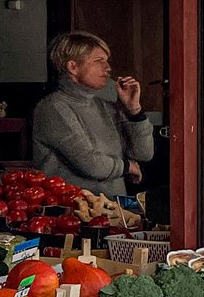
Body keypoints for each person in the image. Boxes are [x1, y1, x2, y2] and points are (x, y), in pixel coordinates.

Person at [32, 31, 154, 197]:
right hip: (72, 209)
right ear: (72, 67)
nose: (108, 67)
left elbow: (143, 154)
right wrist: (126, 167)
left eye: (106, 60)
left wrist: (134, 111)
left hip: (112, 207)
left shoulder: (104, 106)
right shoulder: (53, 108)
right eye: (98, 61)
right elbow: (90, 164)